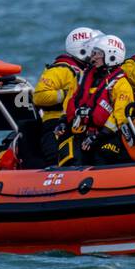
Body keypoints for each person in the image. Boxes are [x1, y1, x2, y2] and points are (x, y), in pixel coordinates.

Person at [57, 34, 134, 166]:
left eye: (98, 53)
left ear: (112, 55)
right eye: (93, 53)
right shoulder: (84, 78)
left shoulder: (121, 84)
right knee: (69, 157)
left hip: (106, 137)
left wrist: (98, 136)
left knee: (102, 156)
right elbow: (70, 101)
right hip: (80, 133)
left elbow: (120, 116)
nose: (93, 56)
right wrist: (63, 121)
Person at [31, 26, 98, 165]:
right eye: (94, 49)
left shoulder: (90, 72)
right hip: (56, 123)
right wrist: (67, 94)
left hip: (78, 123)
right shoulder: (61, 69)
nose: (97, 52)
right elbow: (39, 96)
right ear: (82, 49)